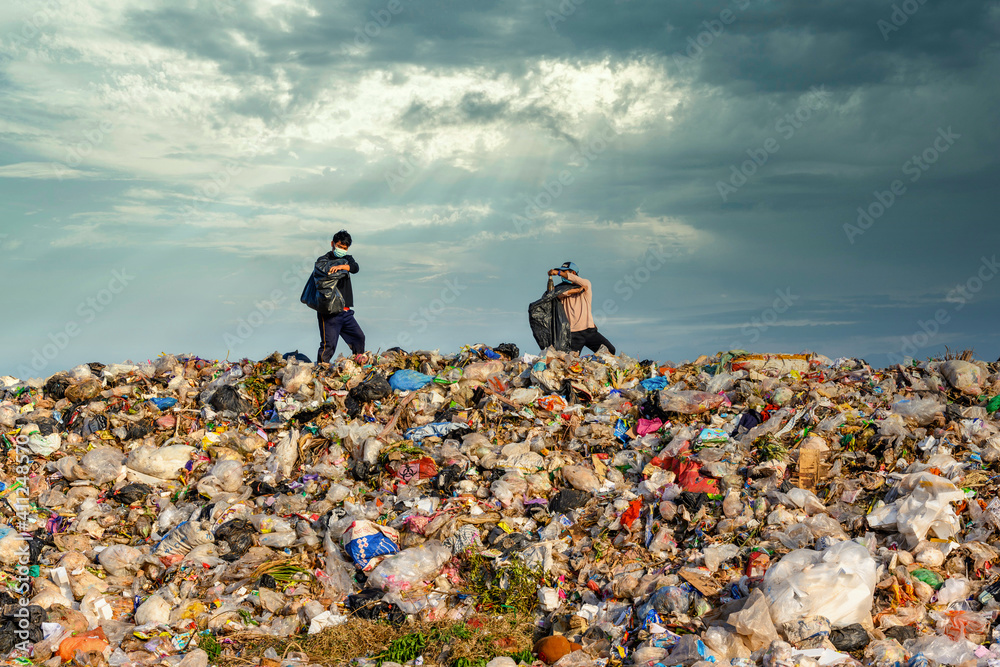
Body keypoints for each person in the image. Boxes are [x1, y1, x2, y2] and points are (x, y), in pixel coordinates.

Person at [315, 230, 366, 364]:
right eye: (339, 246)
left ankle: (358, 365)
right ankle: (320, 370)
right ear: (332, 244)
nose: (342, 250)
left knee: (359, 337)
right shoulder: (323, 260)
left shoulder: (348, 259)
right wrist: (334, 268)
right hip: (330, 313)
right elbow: (321, 272)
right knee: (328, 346)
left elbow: (355, 268)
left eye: (345, 248)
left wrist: (342, 266)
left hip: (346, 312)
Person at [548, 261, 616, 355]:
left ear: (573, 273)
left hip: (589, 331)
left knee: (610, 351)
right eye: (561, 272)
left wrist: (558, 272)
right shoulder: (560, 289)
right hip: (573, 334)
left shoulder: (586, 284)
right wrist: (576, 291)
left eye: (565, 272)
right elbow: (557, 295)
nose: (562, 275)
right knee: (569, 360)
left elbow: (579, 281)